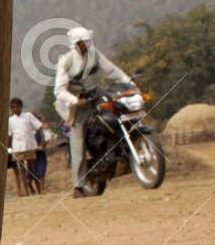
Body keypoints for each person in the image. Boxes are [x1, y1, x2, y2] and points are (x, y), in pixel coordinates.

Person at [54, 26, 133, 197]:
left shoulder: (94, 54)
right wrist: (76, 101)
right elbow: (59, 91)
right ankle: (78, 186)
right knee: (78, 142)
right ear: (75, 44)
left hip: (95, 94)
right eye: (82, 43)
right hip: (76, 103)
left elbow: (111, 71)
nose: (86, 45)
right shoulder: (66, 61)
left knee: (119, 111)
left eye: (87, 42)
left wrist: (128, 83)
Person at [7, 97, 43, 197]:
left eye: (17, 107)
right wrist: (9, 149)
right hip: (17, 148)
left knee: (32, 169)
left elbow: (39, 127)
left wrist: (42, 142)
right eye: (13, 107)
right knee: (21, 169)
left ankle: (37, 189)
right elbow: (9, 135)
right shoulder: (10, 120)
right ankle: (26, 191)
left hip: (29, 145)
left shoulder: (28, 116)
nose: (15, 109)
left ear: (21, 106)